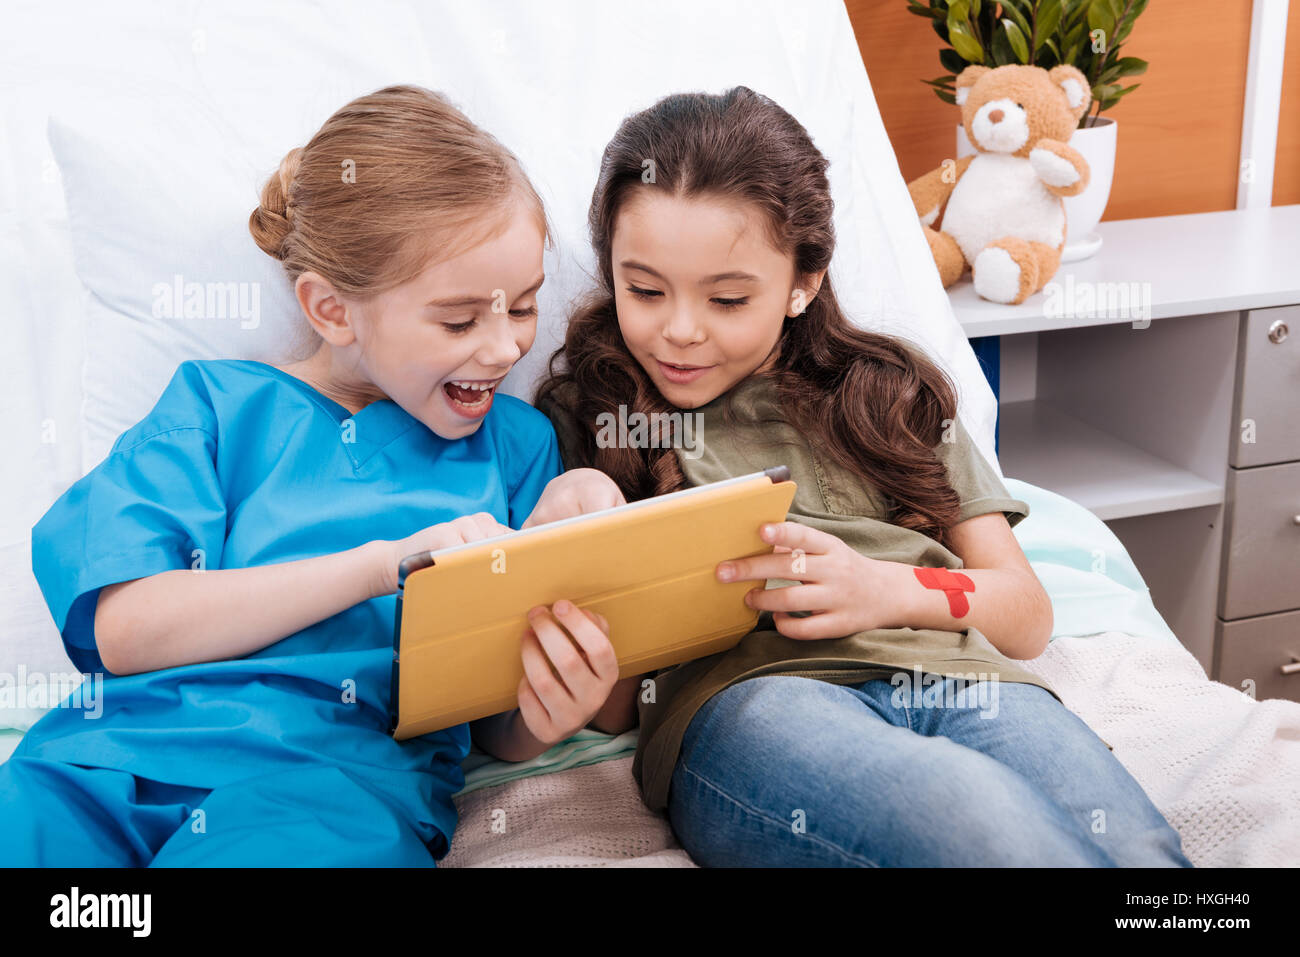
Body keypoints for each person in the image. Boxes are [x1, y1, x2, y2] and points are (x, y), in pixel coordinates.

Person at [534, 86, 1193, 867]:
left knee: (1144, 849)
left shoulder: (890, 391)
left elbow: (1025, 615)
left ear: (803, 282)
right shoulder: (596, 409)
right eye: (643, 290)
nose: (678, 329)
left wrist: (885, 589)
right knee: (976, 821)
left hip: (963, 678)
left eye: (728, 298)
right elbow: (610, 709)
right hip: (755, 699)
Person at [2, 85, 624, 867]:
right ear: (332, 311)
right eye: (460, 320)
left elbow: (493, 721)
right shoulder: (218, 408)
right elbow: (125, 632)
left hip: (328, 791)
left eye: (524, 307)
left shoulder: (516, 449)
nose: (504, 349)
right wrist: (379, 566)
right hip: (106, 764)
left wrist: (547, 709)